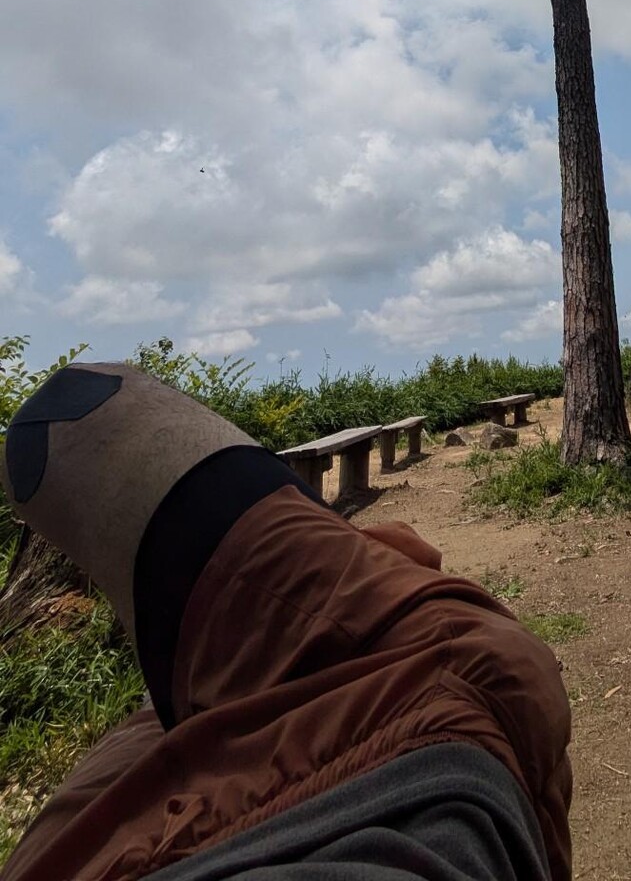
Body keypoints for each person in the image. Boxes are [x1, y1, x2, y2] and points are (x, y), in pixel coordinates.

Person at [0, 362, 572, 880]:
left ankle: (206, 665)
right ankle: (253, 613)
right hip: (430, 720)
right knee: (429, 672)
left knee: (134, 767)